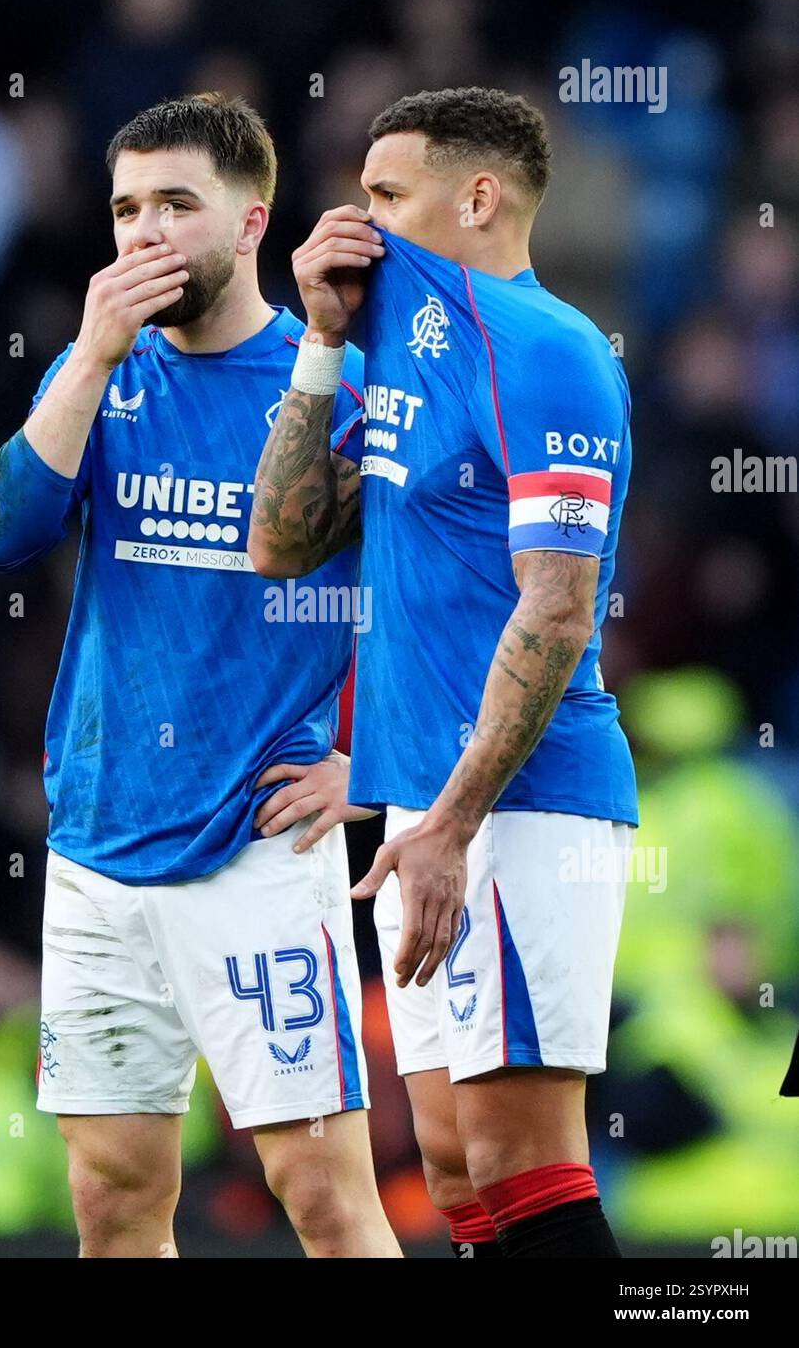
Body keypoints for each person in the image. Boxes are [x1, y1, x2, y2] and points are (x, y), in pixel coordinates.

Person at [0, 92, 400, 1259]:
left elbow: (445, 604)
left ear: (251, 220)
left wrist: (375, 764)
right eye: (123, 209)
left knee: (320, 1194)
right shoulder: (97, 373)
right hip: (100, 840)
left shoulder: (329, 391)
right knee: (113, 1200)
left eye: (175, 204)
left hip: (257, 848)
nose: (143, 233)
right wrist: (94, 353)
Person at [250, 86, 637, 1258]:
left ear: (476, 198)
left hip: (519, 802)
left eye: (384, 195)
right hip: (428, 809)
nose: (353, 223)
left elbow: (558, 609)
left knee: (526, 1164)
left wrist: (453, 825)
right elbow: (279, 539)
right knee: (458, 1171)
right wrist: (316, 343)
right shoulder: (398, 348)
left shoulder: (549, 351)